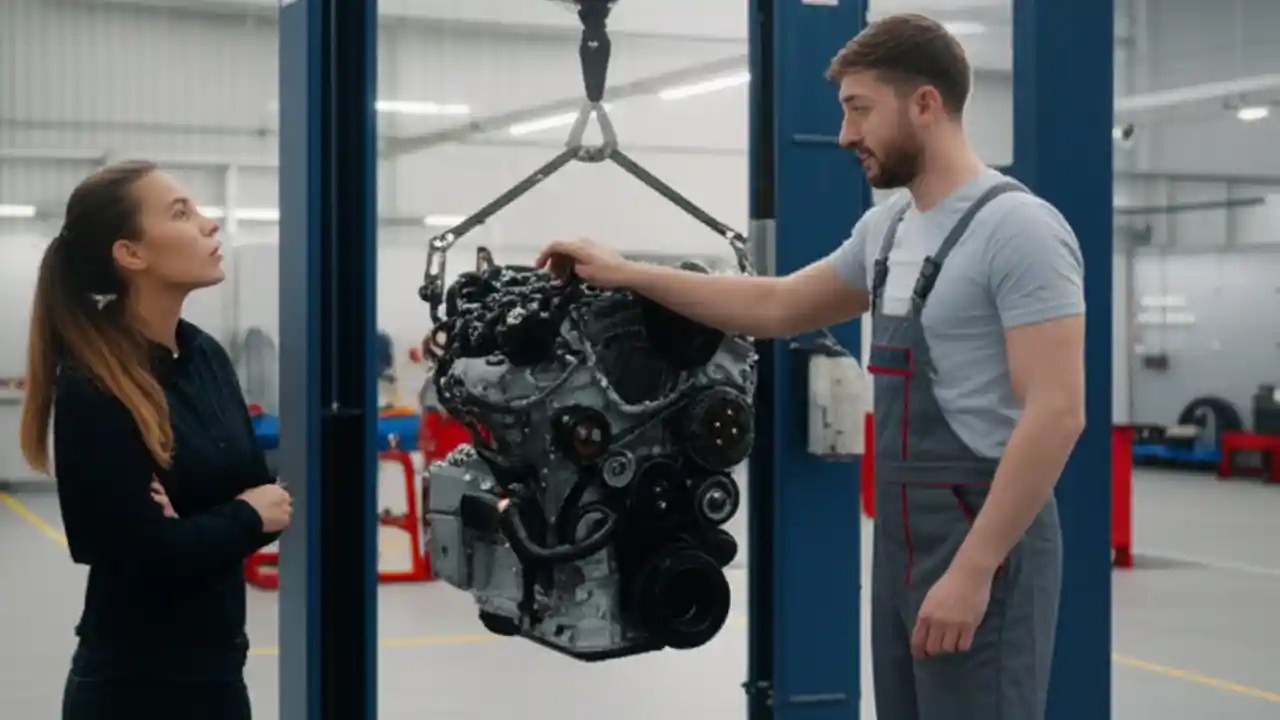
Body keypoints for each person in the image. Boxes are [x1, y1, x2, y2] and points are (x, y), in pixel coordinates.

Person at [535, 13, 1085, 720]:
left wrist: (975, 570)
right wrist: (629, 274)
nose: (846, 134)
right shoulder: (888, 230)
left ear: (925, 104)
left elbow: (1058, 410)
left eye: (860, 109)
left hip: (986, 539)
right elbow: (776, 303)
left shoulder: (1020, 230)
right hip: (902, 536)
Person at [18, 160, 293, 720]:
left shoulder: (205, 355)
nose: (209, 223)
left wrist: (198, 523)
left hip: (218, 673)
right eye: (181, 213)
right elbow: (123, 549)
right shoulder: (95, 386)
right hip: (134, 686)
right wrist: (238, 517)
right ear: (131, 253)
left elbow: (262, 496)